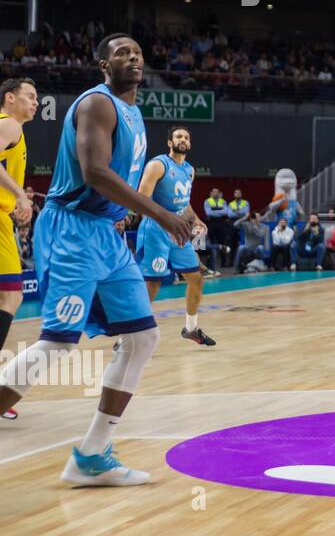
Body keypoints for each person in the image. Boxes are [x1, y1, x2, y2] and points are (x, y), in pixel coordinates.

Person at [0, 34, 191, 484]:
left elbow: (115, 181)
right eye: (122, 53)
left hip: (105, 235)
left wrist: (124, 213)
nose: (134, 58)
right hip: (71, 230)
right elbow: (96, 173)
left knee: (143, 339)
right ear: (103, 63)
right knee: (60, 341)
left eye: (139, 52)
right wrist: (161, 215)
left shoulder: (135, 113)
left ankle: (91, 455)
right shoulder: (97, 104)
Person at [136, 126, 213, 346]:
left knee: (196, 278)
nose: (183, 139)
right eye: (178, 136)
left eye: (187, 137)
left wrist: (195, 219)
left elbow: (184, 202)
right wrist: (167, 219)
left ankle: (191, 328)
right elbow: (142, 200)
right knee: (152, 284)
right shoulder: (158, 165)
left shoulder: (189, 170)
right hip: (155, 229)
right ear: (170, 142)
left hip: (178, 230)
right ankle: (129, 335)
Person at [0, 77, 37, 420]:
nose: (35, 101)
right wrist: (21, 195)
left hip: (3, 217)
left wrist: (16, 200)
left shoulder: (14, 130)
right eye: (30, 96)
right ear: (9, 98)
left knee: (8, 296)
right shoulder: (9, 124)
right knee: (11, 295)